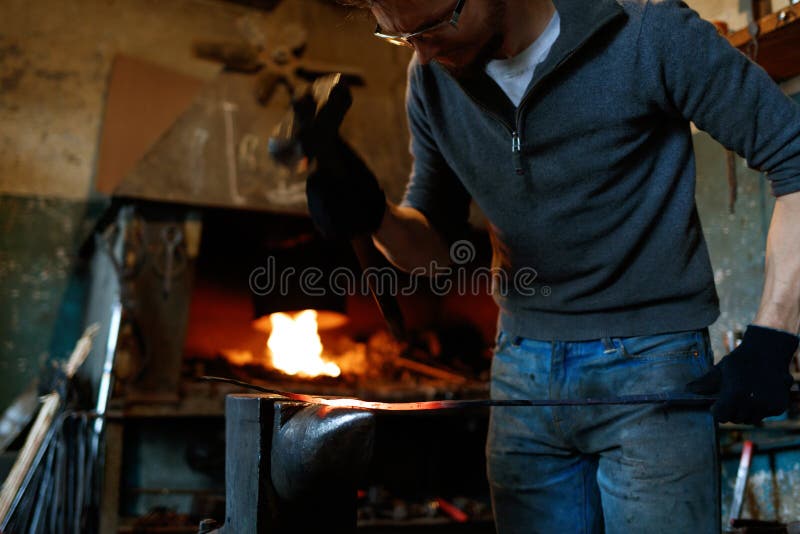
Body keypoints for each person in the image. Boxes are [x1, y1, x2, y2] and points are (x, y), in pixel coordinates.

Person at [306, 0, 800, 531]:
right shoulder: (430, 80)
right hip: (522, 371)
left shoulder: (647, 34)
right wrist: (375, 215)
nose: (422, 55)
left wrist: (774, 337)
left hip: (652, 362)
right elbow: (435, 258)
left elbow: (794, 156)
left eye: (431, 27)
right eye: (400, 37)